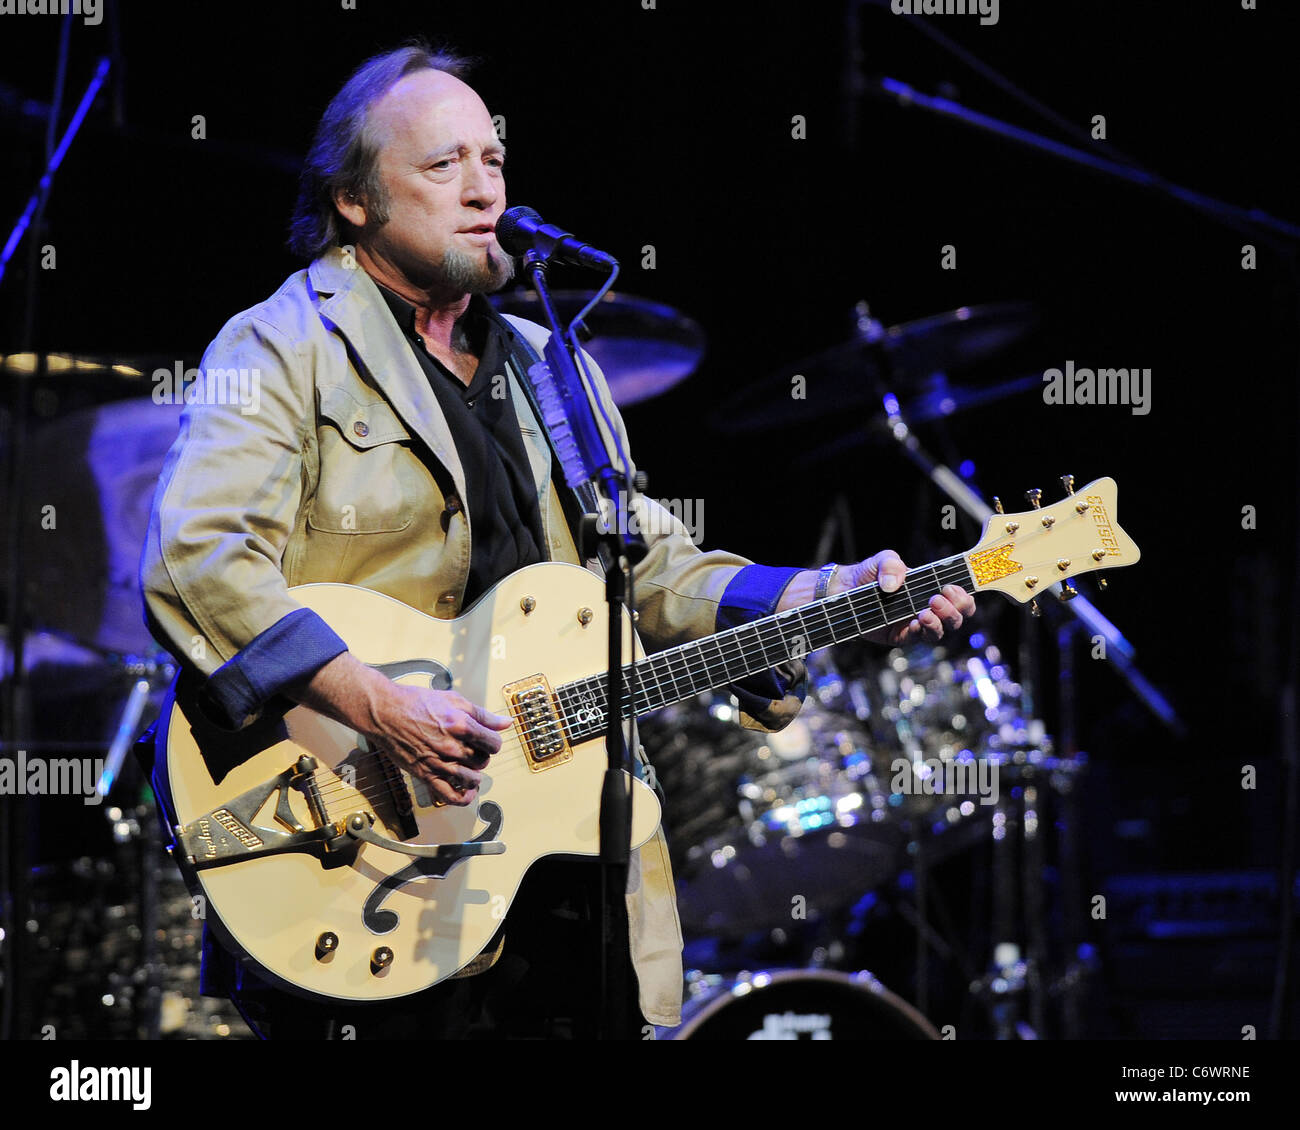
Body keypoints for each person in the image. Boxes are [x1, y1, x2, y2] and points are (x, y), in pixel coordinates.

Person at [139, 43, 974, 1040]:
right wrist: (381, 704)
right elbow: (201, 562)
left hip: (563, 860)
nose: (482, 187)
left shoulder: (552, 364)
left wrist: (832, 591)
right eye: (442, 166)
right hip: (362, 847)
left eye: (492, 161)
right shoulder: (281, 345)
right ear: (354, 201)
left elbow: (654, 569)